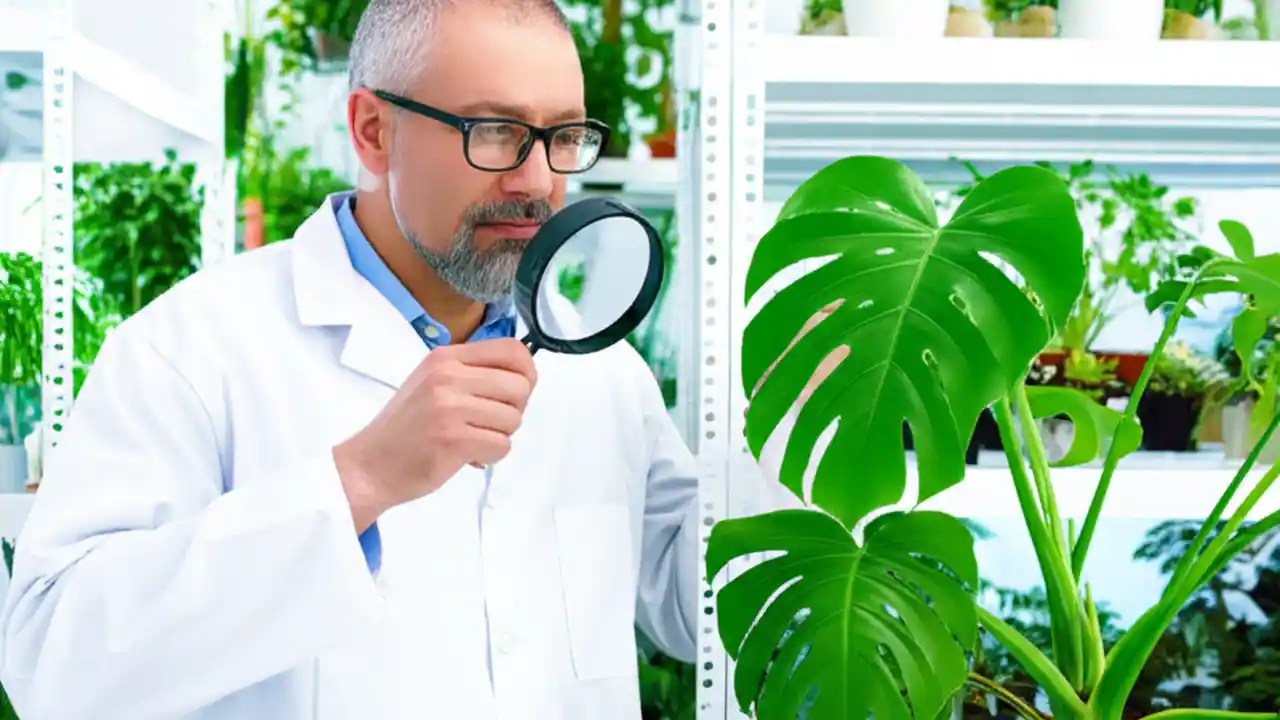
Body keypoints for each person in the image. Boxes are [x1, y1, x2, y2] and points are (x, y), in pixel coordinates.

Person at [0, 1, 700, 718]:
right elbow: (51, 667)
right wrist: (359, 481)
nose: (537, 181)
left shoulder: (604, 371)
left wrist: (774, 417)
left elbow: (693, 609)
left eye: (564, 136)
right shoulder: (190, 349)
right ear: (373, 131)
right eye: (495, 132)